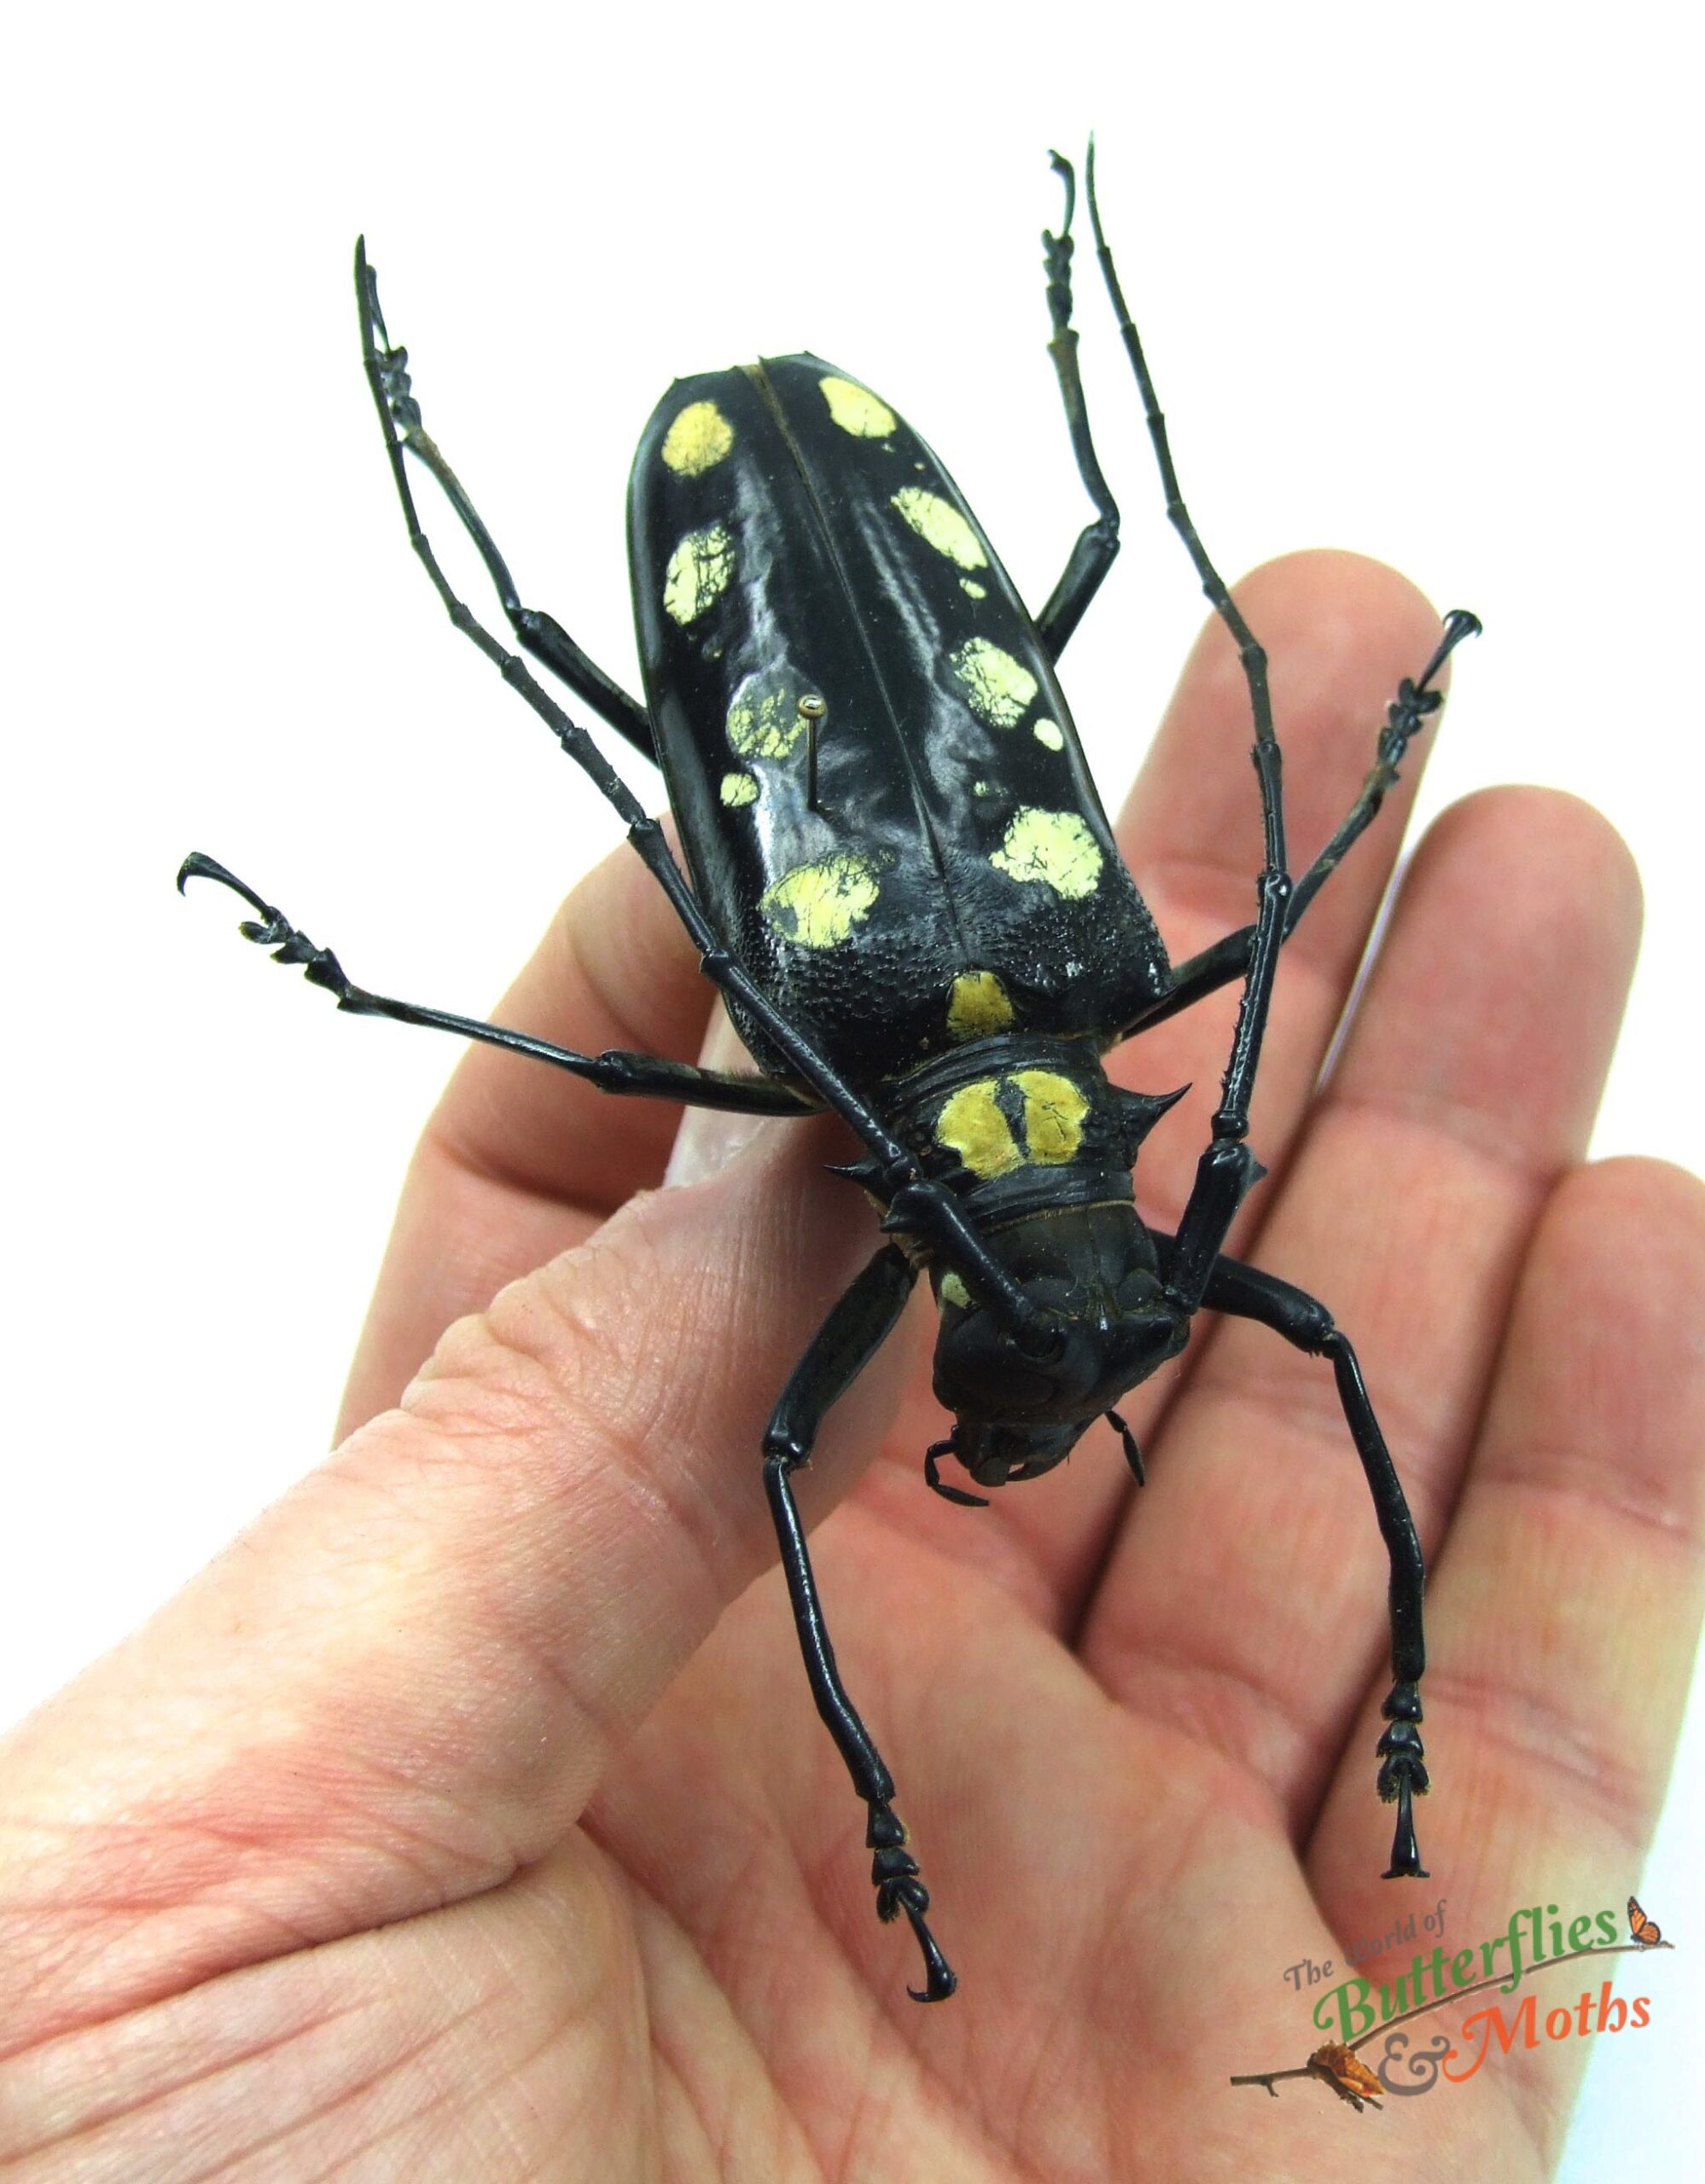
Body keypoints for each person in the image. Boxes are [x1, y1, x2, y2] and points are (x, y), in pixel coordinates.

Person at [3, 552, 1696, 2175]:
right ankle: (451, 696)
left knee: (848, 1349)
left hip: (874, 907)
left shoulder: (877, 1036)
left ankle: (446, 722)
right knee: (819, 1371)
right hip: (878, 873)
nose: (1089, 1386)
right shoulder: (950, 1012)